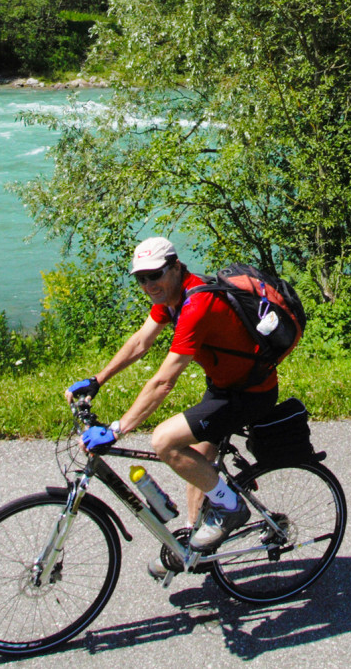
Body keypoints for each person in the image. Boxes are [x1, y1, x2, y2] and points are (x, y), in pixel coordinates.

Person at [64, 237, 279, 554]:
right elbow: (141, 342)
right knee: (198, 464)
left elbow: (164, 381)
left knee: (165, 441)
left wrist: (117, 429)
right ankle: (195, 550)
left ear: (176, 267)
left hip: (249, 393)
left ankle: (231, 510)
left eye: (155, 274)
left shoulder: (196, 305)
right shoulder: (172, 299)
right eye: (141, 278)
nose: (149, 284)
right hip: (224, 387)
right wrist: (98, 380)